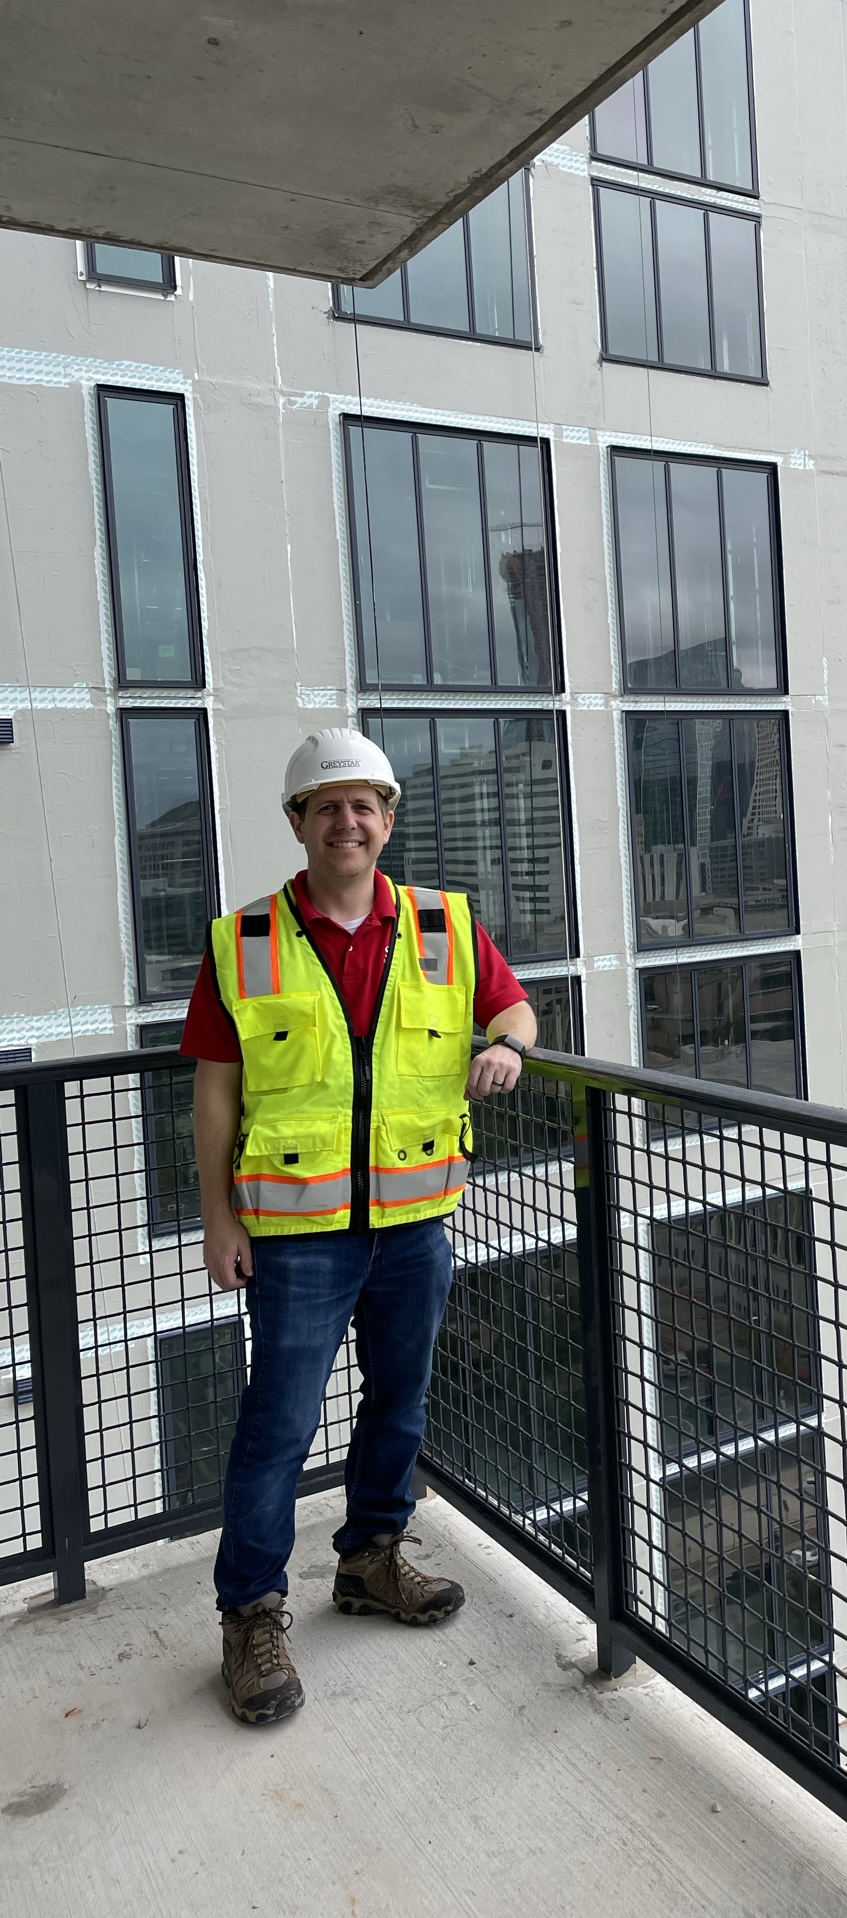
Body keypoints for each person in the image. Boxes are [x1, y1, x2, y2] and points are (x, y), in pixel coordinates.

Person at [181, 728, 537, 1724]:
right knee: (277, 1428)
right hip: (298, 1235)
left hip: (417, 1219)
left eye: (365, 804)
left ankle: (371, 1557)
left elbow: (517, 1010)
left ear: (388, 819)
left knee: (402, 1402)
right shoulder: (243, 942)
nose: (348, 820)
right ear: (297, 822)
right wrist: (219, 1216)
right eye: (327, 805)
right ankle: (251, 1614)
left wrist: (507, 1044)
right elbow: (214, 1096)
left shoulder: (443, 923)